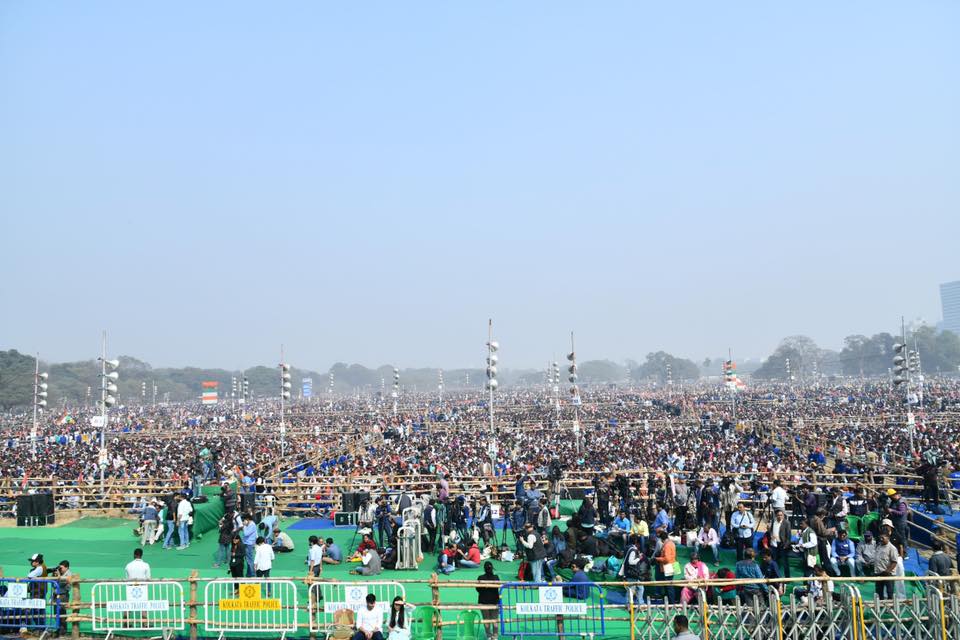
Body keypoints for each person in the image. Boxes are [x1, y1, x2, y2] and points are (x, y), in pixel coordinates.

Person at [619, 534, 649, 604]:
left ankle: (640, 603)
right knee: (631, 590)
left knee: (640, 588)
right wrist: (639, 558)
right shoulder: (633, 550)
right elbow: (631, 562)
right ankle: (629, 604)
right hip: (632, 572)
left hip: (631, 572)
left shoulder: (627, 548)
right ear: (636, 542)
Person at [477, 561, 500, 640]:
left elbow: (478, 589)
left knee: (486, 619)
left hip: (483, 602)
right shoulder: (496, 577)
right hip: (494, 602)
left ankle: (489, 636)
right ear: (492, 568)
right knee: (495, 619)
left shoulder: (480, 578)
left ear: (484, 569)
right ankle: (495, 636)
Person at [874, 532, 899, 600]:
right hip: (879, 572)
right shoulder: (879, 546)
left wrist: (887, 571)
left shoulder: (892, 548)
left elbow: (894, 562)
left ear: (888, 538)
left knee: (890, 592)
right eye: (880, 538)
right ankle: (880, 605)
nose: (881, 539)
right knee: (879, 592)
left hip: (888, 574)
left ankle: (890, 605)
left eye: (883, 538)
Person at [653, 529, 677, 602]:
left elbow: (667, 559)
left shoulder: (667, 545)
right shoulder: (671, 543)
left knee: (668, 586)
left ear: (662, 539)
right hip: (671, 565)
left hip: (668, 566)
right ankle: (669, 601)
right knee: (668, 585)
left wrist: (657, 559)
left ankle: (671, 602)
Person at [769, 509, 791, 578]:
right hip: (774, 544)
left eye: (781, 515)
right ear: (776, 515)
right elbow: (771, 531)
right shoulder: (774, 521)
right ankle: (775, 577)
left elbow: (788, 536)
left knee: (785, 562)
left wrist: (785, 545)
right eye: (778, 515)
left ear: (783, 516)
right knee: (775, 561)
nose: (779, 516)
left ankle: (787, 578)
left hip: (782, 544)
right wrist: (771, 536)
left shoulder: (786, 523)